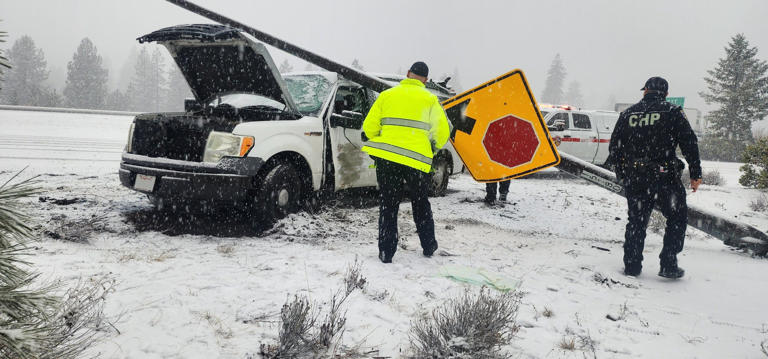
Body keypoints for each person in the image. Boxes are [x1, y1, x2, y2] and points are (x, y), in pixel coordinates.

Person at [608, 76, 702, 279]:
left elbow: (614, 146)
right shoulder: (673, 112)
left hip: (636, 177)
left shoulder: (628, 114)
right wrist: (696, 174)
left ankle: (632, 266)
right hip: (665, 177)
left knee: (636, 222)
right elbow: (689, 144)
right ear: (666, 94)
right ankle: (668, 264)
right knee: (676, 218)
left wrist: (623, 173)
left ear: (645, 91)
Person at [361, 61, 450, 263]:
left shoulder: (387, 95)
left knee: (388, 205)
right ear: (426, 80)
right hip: (416, 161)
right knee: (420, 203)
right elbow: (442, 131)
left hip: (388, 159)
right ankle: (428, 246)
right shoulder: (430, 100)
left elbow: (369, 127)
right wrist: (431, 148)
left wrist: (382, 139)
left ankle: (386, 252)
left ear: (408, 74)